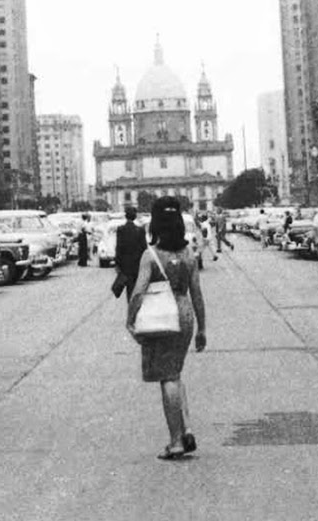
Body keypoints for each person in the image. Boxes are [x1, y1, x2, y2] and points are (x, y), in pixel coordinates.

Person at [127, 196, 206, 460]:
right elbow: (197, 294)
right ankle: (186, 429)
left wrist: (131, 319)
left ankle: (175, 442)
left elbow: (138, 292)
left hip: (162, 316)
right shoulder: (189, 254)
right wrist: (202, 328)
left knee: (168, 377)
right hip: (184, 314)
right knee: (176, 371)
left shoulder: (150, 256)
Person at [113, 205, 147, 309]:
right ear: (135, 216)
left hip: (125, 266)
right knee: (137, 288)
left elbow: (119, 248)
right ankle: (136, 308)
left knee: (129, 289)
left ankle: (130, 308)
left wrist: (117, 264)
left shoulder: (121, 229)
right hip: (137, 265)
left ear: (126, 216)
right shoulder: (140, 230)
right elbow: (144, 248)